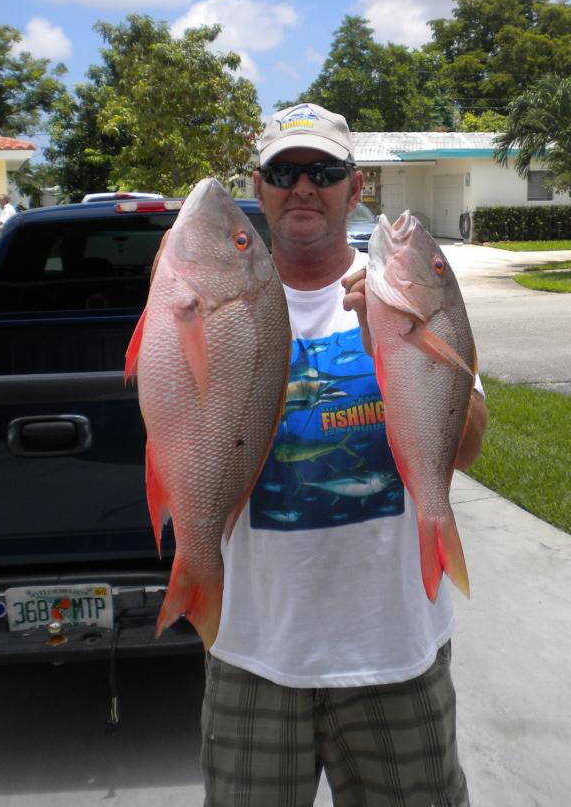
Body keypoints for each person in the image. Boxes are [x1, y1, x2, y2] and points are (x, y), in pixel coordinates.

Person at [201, 102, 488, 807]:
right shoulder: (217, 307)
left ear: (355, 189)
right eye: (284, 170)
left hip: (394, 653)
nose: (304, 185)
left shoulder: (400, 292)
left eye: (323, 171)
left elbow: (471, 445)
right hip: (254, 654)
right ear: (260, 187)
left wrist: (393, 342)